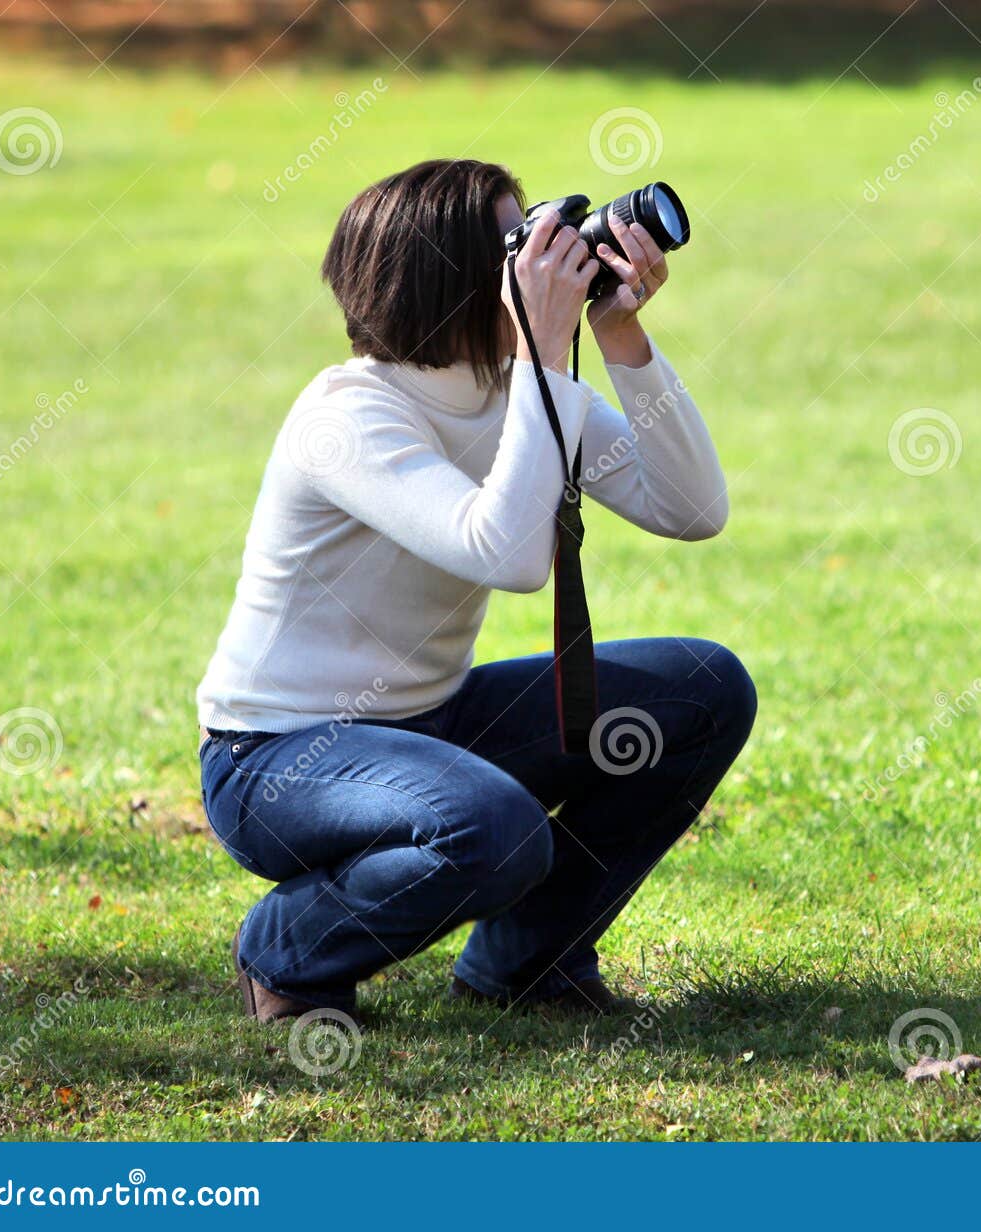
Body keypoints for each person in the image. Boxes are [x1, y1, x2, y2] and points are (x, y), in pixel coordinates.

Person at [195, 159, 755, 1023]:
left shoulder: (511, 388)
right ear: (450, 277)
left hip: (433, 727)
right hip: (276, 759)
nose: (543, 254)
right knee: (496, 830)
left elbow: (691, 509)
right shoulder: (347, 418)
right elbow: (507, 555)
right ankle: (286, 950)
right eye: (516, 242)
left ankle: (528, 963)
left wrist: (617, 337)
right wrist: (544, 357)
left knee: (704, 692)